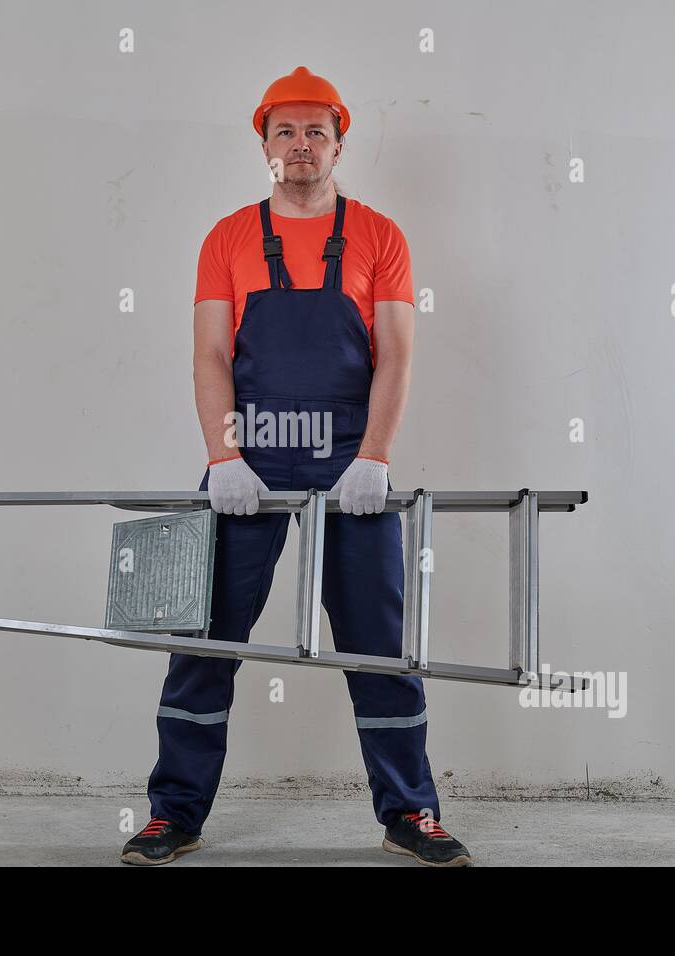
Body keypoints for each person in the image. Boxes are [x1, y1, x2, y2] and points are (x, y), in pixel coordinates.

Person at [121, 67, 471, 867]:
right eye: (286, 131)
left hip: (353, 470)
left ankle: (410, 815)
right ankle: (172, 813)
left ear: (339, 144)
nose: (301, 144)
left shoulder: (381, 236)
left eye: (317, 131)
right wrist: (224, 458)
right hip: (250, 464)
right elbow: (210, 355)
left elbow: (397, 357)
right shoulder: (226, 239)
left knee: (382, 649)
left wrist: (373, 458)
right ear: (265, 145)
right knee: (203, 644)